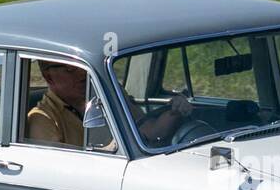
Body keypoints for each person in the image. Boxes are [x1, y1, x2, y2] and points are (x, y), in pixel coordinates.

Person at [26, 60, 191, 148]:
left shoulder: (108, 93)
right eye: (70, 70)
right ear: (49, 77)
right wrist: (113, 148)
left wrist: (174, 112)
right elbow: (57, 174)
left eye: (84, 68)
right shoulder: (42, 118)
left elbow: (150, 132)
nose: (83, 75)